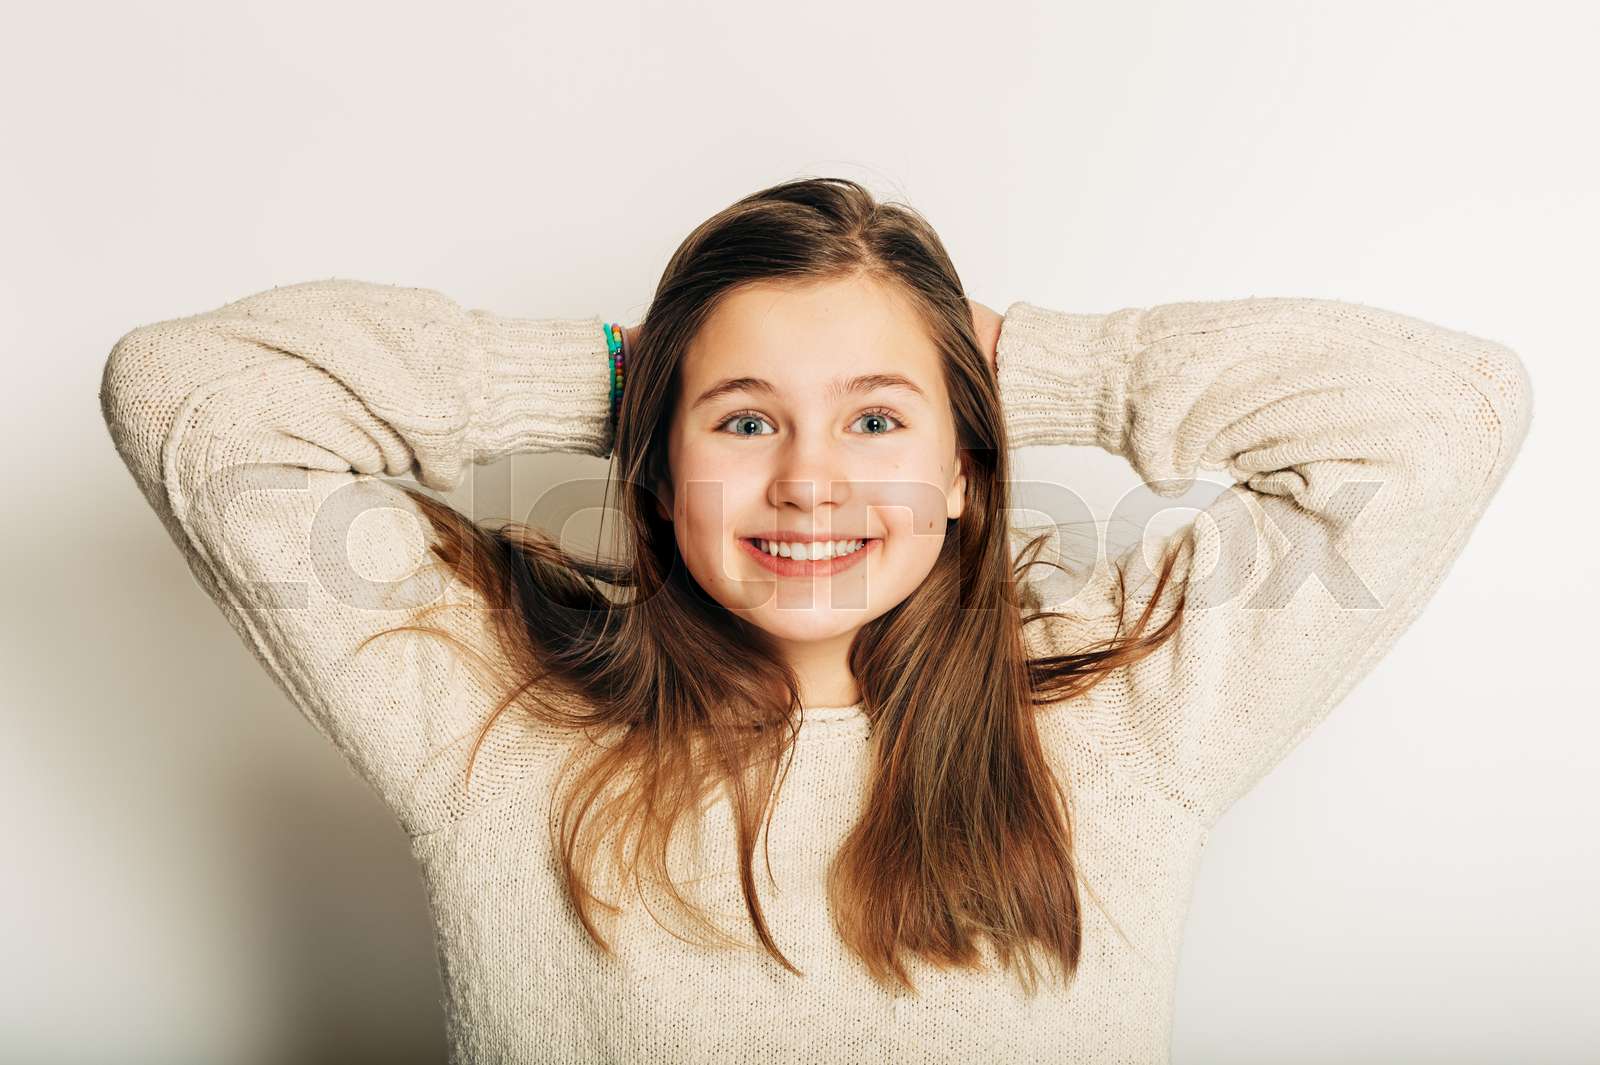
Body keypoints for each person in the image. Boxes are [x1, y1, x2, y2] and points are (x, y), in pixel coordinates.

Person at [97, 177, 1533, 1064]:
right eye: (742, 418)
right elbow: (187, 394)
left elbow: (1440, 415)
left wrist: (1019, 369)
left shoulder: (1124, 711)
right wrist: (630, 373)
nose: (811, 480)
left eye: (874, 417)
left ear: (973, 468)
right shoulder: (491, 709)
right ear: (655, 472)